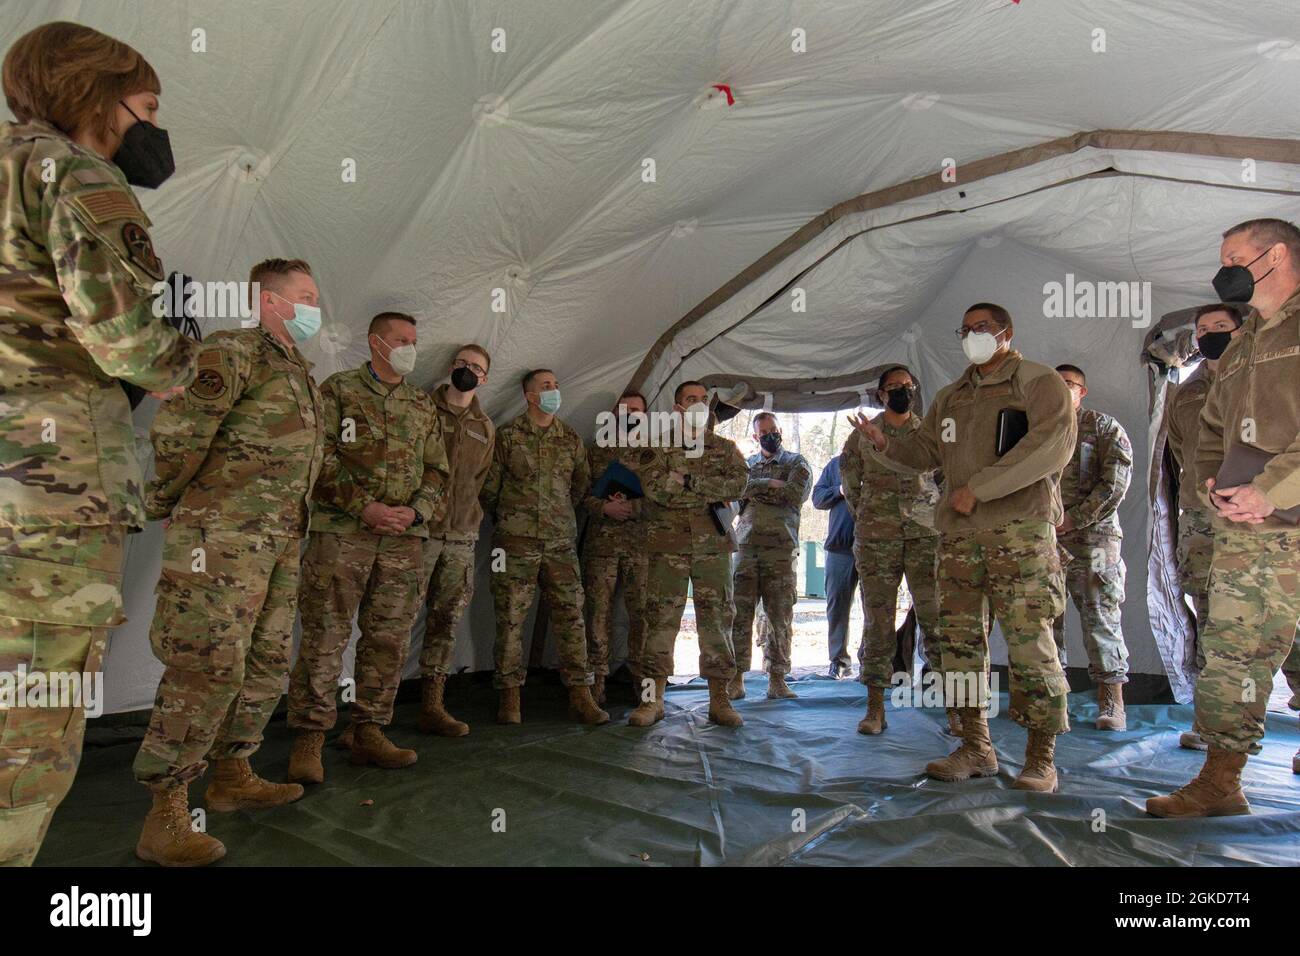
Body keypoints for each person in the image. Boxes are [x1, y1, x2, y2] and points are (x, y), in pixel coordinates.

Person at [0, 22, 199, 866]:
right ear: (98, 97)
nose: (152, 128)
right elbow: (136, 346)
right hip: (52, 492)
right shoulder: (72, 173)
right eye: (146, 107)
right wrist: (178, 348)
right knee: (28, 727)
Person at [132, 258, 325, 865]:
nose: (316, 307)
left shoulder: (300, 371)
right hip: (220, 539)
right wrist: (169, 500)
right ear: (268, 300)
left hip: (277, 544)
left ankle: (234, 771)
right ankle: (165, 810)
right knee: (206, 663)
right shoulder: (232, 351)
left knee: (266, 659)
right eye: (305, 296)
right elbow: (182, 431)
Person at [851, 304, 1076, 791]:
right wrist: (884, 444)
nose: (972, 336)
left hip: (1018, 530)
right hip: (957, 537)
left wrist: (982, 488)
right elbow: (925, 451)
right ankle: (976, 747)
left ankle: (1041, 757)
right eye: (965, 329)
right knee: (958, 642)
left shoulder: (1037, 382)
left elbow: (1051, 446)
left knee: (1029, 641)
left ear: (1006, 333)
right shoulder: (952, 395)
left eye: (982, 328)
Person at [1149, 218, 1300, 816]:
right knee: (1234, 651)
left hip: (1280, 508)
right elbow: (1210, 428)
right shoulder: (1242, 344)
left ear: (1277, 255)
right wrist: (1216, 486)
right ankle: (1221, 781)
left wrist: (1272, 487)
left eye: (1234, 258)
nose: (1223, 273)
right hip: (1253, 530)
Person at [285, 312, 448, 784]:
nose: (410, 348)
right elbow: (320, 454)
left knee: (389, 639)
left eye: (414, 340)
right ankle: (310, 738)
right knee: (325, 636)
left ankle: (369, 730)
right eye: (401, 339)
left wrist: (416, 511)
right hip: (343, 534)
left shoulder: (421, 404)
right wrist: (364, 507)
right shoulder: (339, 391)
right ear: (375, 342)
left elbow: (438, 470)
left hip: (404, 541)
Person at [480, 369, 607, 725]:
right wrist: (511, 519)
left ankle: (580, 694)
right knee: (510, 618)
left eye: (556, 385)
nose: (554, 391)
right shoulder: (507, 436)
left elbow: (580, 486)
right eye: (546, 386)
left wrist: (557, 517)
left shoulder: (569, 438)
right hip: (513, 542)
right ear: (530, 396)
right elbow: (489, 489)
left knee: (571, 617)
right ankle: (509, 697)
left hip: (560, 543)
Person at [628, 383, 749, 728]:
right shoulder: (656, 446)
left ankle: (719, 700)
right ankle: (652, 700)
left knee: (717, 623)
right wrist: (706, 489)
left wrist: (688, 481)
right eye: (690, 400)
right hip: (668, 548)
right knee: (659, 623)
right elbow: (655, 491)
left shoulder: (725, 449)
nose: (698, 405)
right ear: (678, 407)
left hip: (713, 549)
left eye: (702, 400)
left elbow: (738, 486)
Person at [841, 366, 947, 736]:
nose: (902, 391)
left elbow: (946, 479)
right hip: (877, 538)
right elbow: (850, 485)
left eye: (907, 386)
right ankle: (875, 708)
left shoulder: (929, 432)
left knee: (936, 621)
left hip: (925, 536)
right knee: (878, 622)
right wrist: (873, 518)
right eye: (893, 387)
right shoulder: (861, 435)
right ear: (881, 394)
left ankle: (956, 712)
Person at [414, 344, 496, 736]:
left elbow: (481, 482)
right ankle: (369, 715)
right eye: (462, 363)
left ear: (485, 378)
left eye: (476, 367)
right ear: (451, 367)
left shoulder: (485, 427)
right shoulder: (422, 409)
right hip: (419, 533)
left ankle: (432, 704)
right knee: (392, 621)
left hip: (461, 537)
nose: (467, 371)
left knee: (445, 622)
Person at [1051, 365, 1133, 730]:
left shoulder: (1103, 428)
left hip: (1093, 540)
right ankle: (1051, 700)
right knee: (1044, 621)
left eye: (1068, 384)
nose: (1060, 390)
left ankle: (1112, 702)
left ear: (1081, 391)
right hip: (1045, 538)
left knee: (1100, 616)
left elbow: (1114, 485)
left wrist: (1074, 518)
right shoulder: (1036, 430)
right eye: (1054, 384)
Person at [729, 413, 813, 700]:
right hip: (745, 549)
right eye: (764, 432)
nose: (770, 435)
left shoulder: (796, 463)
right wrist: (770, 484)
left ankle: (777, 680)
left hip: (781, 551)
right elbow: (736, 495)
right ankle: (736, 678)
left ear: (781, 432)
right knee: (738, 615)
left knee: (779, 617)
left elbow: (794, 494)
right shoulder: (746, 465)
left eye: (774, 430)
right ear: (755, 436)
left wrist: (757, 488)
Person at [582, 391, 651, 705]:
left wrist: (632, 509)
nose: (630, 414)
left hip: (642, 547)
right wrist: (603, 509)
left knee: (643, 614)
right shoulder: (596, 451)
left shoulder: (655, 453)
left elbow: (666, 497)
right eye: (624, 410)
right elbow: (578, 493)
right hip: (602, 545)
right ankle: (597, 680)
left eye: (635, 410)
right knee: (598, 613)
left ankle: (642, 681)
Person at [811, 452, 865, 680]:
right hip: (839, 547)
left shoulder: (884, 460)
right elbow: (817, 498)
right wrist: (839, 491)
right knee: (837, 608)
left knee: (876, 609)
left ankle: (871, 660)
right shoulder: (836, 465)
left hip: (876, 547)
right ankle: (839, 661)